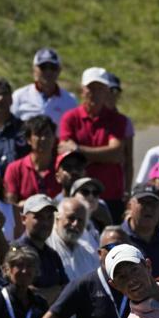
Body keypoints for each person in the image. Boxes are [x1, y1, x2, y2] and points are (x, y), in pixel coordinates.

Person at [58, 68, 132, 221]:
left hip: (111, 194)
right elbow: (66, 152)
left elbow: (116, 153)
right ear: (82, 91)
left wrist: (79, 150)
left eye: (100, 89)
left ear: (106, 92)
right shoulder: (70, 118)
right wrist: (103, 155)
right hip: (78, 194)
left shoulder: (118, 120)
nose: (95, 93)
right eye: (91, 88)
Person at [16, 194, 70, 305]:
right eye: (38, 217)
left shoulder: (52, 254)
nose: (45, 223)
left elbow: (68, 292)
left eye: (49, 217)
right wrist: (57, 290)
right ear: (23, 219)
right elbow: (25, 297)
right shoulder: (16, 252)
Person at [11, 48, 78, 125]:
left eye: (52, 67)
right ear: (34, 70)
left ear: (59, 70)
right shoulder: (19, 96)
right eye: (43, 67)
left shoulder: (70, 101)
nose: (48, 71)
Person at [3, 116, 60, 204]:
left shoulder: (62, 166)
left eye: (47, 134)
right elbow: (10, 205)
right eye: (38, 134)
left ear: (54, 138)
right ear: (28, 139)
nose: (43, 138)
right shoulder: (14, 169)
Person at [48, 197, 98, 282]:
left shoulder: (89, 251)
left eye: (80, 220)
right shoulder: (47, 246)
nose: (75, 224)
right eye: (71, 218)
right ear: (57, 219)